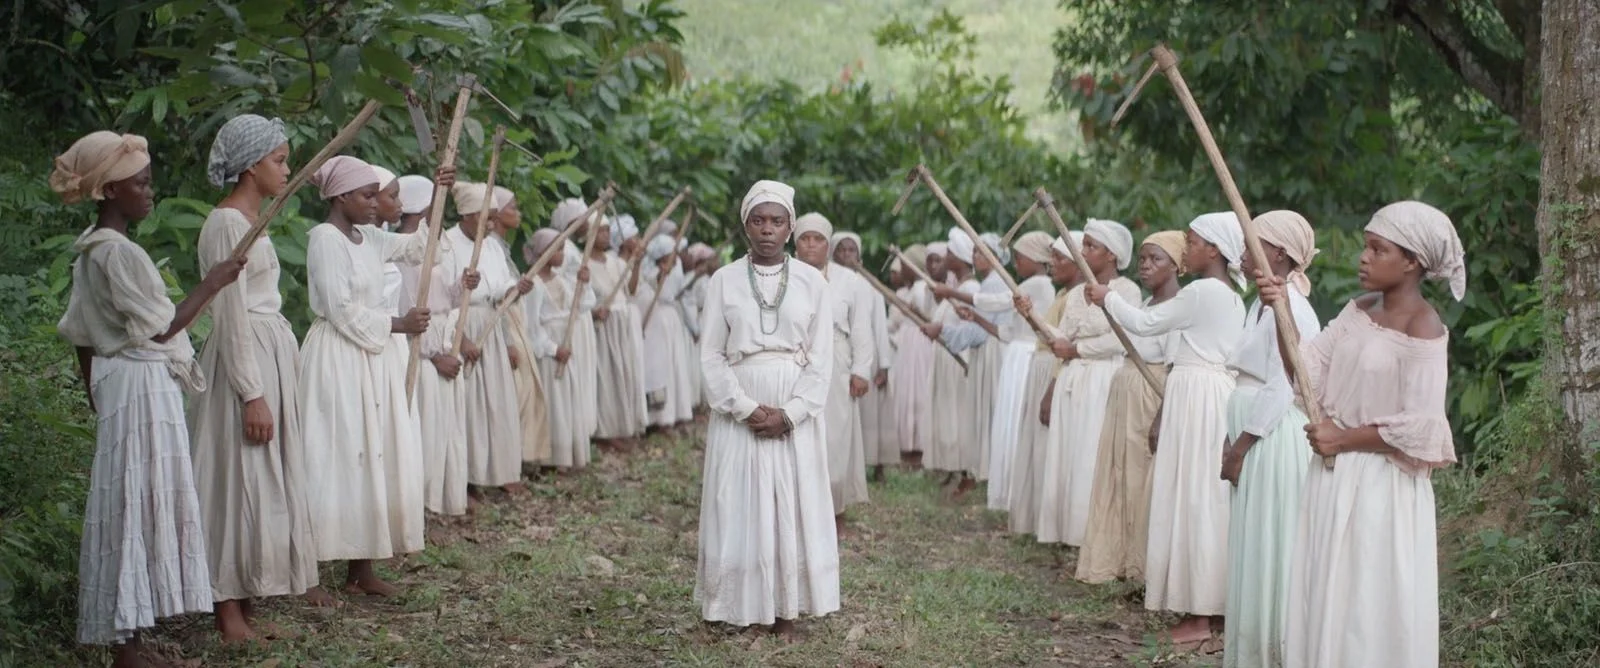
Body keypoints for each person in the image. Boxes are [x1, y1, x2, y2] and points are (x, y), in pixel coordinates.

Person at [55, 130, 245, 667]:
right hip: (138, 389)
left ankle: (132, 643)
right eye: (139, 184)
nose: (149, 192)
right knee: (133, 505)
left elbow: (83, 338)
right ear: (110, 191)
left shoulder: (92, 250)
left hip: (122, 387)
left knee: (130, 505)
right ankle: (129, 651)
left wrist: (98, 390)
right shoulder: (118, 253)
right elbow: (162, 329)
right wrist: (213, 283)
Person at [1275, 202, 1462, 668]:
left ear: (1412, 261)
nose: (1364, 257)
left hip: (1382, 486)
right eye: (1366, 246)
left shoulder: (1425, 327)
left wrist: (1343, 439)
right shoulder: (1357, 309)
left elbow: (1422, 427)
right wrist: (1278, 309)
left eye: (1378, 249)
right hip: (1333, 477)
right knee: (1327, 588)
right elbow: (1306, 372)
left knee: (1367, 601)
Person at [188, 115, 322, 640]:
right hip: (245, 364)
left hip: (268, 354)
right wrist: (253, 393)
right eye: (279, 160)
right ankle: (226, 612)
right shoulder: (225, 225)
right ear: (250, 168)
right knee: (234, 480)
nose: (286, 170)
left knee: (259, 481)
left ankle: (245, 601)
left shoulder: (249, 221)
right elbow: (231, 313)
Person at [1088, 212, 1246, 648]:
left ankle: (1201, 616)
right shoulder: (1232, 295)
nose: (1187, 248)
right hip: (1206, 395)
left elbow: (1145, 323)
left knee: (1195, 500)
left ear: (1212, 249)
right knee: (1204, 501)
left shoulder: (1204, 292)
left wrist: (1106, 298)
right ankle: (1208, 612)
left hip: (1198, 397)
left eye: (1192, 242)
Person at [696, 180, 839, 637]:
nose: (767, 230)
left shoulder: (813, 282)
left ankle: (788, 612)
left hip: (792, 406)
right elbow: (711, 355)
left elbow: (822, 358)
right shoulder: (723, 280)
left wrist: (791, 413)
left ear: (791, 227)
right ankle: (742, 607)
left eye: (777, 221)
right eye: (758, 220)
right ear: (745, 225)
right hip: (741, 403)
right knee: (739, 501)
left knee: (790, 505)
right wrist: (743, 407)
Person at [297, 155, 433, 598]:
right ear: (341, 197)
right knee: (333, 452)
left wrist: (437, 197)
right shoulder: (325, 239)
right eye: (367, 195)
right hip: (339, 355)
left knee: (371, 453)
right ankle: (309, 572)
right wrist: (398, 325)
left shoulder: (370, 237)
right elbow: (338, 307)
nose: (375, 204)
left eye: (378, 195)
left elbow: (416, 248)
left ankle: (362, 568)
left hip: (372, 358)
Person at [1218, 211, 1322, 667]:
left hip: (1272, 438)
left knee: (1271, 543)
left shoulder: (1292, 307)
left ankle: (1274, 652)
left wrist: (1241, 445)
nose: (1241, 254)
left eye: (1251, 244)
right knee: (1252, 542)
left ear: (1277, 253)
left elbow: (1283, 384)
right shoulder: (1260, 303)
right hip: (1253, 434)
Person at [1075, 230, 1183, 582]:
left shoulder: (1179, 308)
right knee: (1118, 473)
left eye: (1157, 259)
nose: (1147, 266)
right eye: (1143, 259)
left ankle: (1144, 568)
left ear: (1177, 266)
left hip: (1151, 395)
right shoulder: (1143, 307)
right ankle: (1117, 560)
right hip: (1125, 390)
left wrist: (1159, 418)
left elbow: (1173, 366)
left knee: (1143, 479)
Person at [1037, 220, 1141, 547]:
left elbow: (1123, 338)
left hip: (1103, 378)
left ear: (1111, 254)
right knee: (1069, 452)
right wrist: (1033, 318)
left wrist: (1078, 349)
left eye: (1090, 247)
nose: (1083, 253)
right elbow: (1062, 338)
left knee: (1090, 454)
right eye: (1083, 246)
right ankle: (1067, 532)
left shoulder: (1127, 291)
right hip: (1073, 378)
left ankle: (1092, 538)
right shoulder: (1075, 296)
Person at [444, 182, 533, 495]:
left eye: (495, 216)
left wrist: (514, 291)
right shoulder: (448, 244)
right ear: (468, 214)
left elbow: (500, 294)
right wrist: (461, 339)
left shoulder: (492, 246)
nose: (493, 223)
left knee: (494, 404)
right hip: (460, 325)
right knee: (467, 406)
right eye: (488, 216)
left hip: (490, 327)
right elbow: (443, 299)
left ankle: (489, 473)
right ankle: (463, 482)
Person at [794, 213, 873, 526]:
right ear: (795, 242)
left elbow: (861, 330)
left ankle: (836, 510)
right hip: (795, 361)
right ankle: (799, 509)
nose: (811, 245)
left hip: (836, 362)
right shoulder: (783, 274)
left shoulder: (849, 280)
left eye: (818, 240)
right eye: (805, 238)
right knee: (798, 433)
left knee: (835, 436)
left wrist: (861, 370)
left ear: (828, 245)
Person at [974, 231, 1056, 511]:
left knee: (1016, 421)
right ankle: (1008, 491)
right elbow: (1009, 331)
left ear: (1035, 259)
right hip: (1016, 354)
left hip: (1027, 356)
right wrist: (975, 318)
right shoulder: (1029, 285)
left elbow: (994, 303)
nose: (1016, 263)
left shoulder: (1040, 284)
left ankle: (1015, 493)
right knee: (1009, 420)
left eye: (1020, 258)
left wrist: (954, 293)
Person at [1007, 233, 1082, 535]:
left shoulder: (1077, 298)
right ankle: (1035, 519)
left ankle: (1052, 524)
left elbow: (1064, 345)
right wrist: (1029, 315)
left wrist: (1050, 389)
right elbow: (1046, 334)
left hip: (1055, 371)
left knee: (1047, 450)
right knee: (1035, 446)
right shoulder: (1064, 295)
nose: (1052, 264)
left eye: (1060, 258)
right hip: (1041, 367)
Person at [930, 231, 1011, 493]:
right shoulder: (989, 283)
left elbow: (979, 332)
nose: (976, 256)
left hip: (993, 353)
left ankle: (992, 477)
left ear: (996, 257)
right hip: (986, 352)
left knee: (992, 414)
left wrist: (943, 331)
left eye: (983, 252)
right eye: (975, 251)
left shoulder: (995, 283)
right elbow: (979, 321)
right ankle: (987, 475)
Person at [523, 221, 599, 471]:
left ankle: (567, 455)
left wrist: (584, 283)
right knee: (553, 403)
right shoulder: (533, 285)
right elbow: (532, 326)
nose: (562, 255)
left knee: (567, 401)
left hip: (566, 347)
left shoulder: (561, 280)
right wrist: (553, 349)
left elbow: (583, 304)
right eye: (557, 250)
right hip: (549, 353)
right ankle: (550, 457)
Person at [831, 231, 896, 480]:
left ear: (859, 255)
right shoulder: (824, 283)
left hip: (867, 355)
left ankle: (876, 463)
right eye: (841, 250)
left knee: (870, 412)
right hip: (838, 354)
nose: (847, 255)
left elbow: (879, 326)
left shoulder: (870, 288)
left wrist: (885, 365)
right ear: (833, 253)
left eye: (852, 250)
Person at [589, 213, 649, 449]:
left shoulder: (616, 263)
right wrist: (595, 311)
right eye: (600, 231)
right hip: (604, 326)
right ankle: (606, 431)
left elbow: (631, 291)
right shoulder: (586, 266)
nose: (604, 235)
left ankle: (623, 425)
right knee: (606, 376)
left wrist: (637, 264)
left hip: (622, 323)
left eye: (606, 231)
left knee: (624, 373)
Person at [635, 231, 695, 432]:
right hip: (655, 321)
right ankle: (658, 418)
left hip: (670, 319)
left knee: (675, 367)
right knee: (658, 369)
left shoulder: (675, 267)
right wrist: (661, 274)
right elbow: (650, 288)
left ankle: (675, 415)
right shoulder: (650, 272)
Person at [888, 244, 936, 470]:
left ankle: (918, 448)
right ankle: (908, 447)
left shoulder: (921, 288)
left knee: (917, 392)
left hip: (918, 343)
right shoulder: (914, 288)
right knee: (906, 393)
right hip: (908, 344)